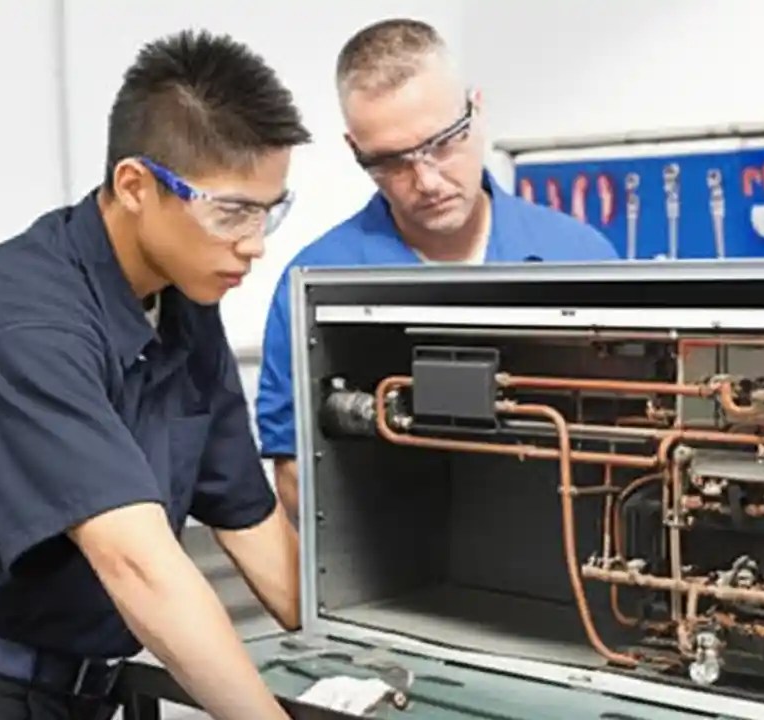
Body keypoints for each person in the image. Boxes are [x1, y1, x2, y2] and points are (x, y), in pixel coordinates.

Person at [0, 29, 310, 720]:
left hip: (89, 686)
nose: (256, 244)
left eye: (269, 210)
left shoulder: (185, 301)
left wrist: (368, 654)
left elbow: (250, 519)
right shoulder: (30, 328)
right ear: (135, 185)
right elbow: (140, 568)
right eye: (232, 211)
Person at [256, 18, 619, 519]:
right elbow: (295, 471)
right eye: (390, 161)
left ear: (477, 108)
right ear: (355, 150)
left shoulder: (584, 259)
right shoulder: (314, 282)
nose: (425, 180)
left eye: (443, 142)